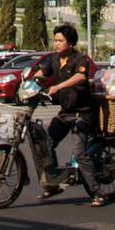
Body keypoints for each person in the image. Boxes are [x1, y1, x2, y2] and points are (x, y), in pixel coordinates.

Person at [32, 23, 105, 206]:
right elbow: (42, 72)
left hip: (83, 113)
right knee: (46, 144)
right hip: (65, 112)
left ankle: (97, 193)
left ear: (70, 42)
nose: (56, 44)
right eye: (55, 40)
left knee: (80, 154)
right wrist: (33, 82)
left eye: (60, 40)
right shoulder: (54, 59)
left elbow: (81, 77)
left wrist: (58, 86)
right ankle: (53, 184)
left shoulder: (80, 59)